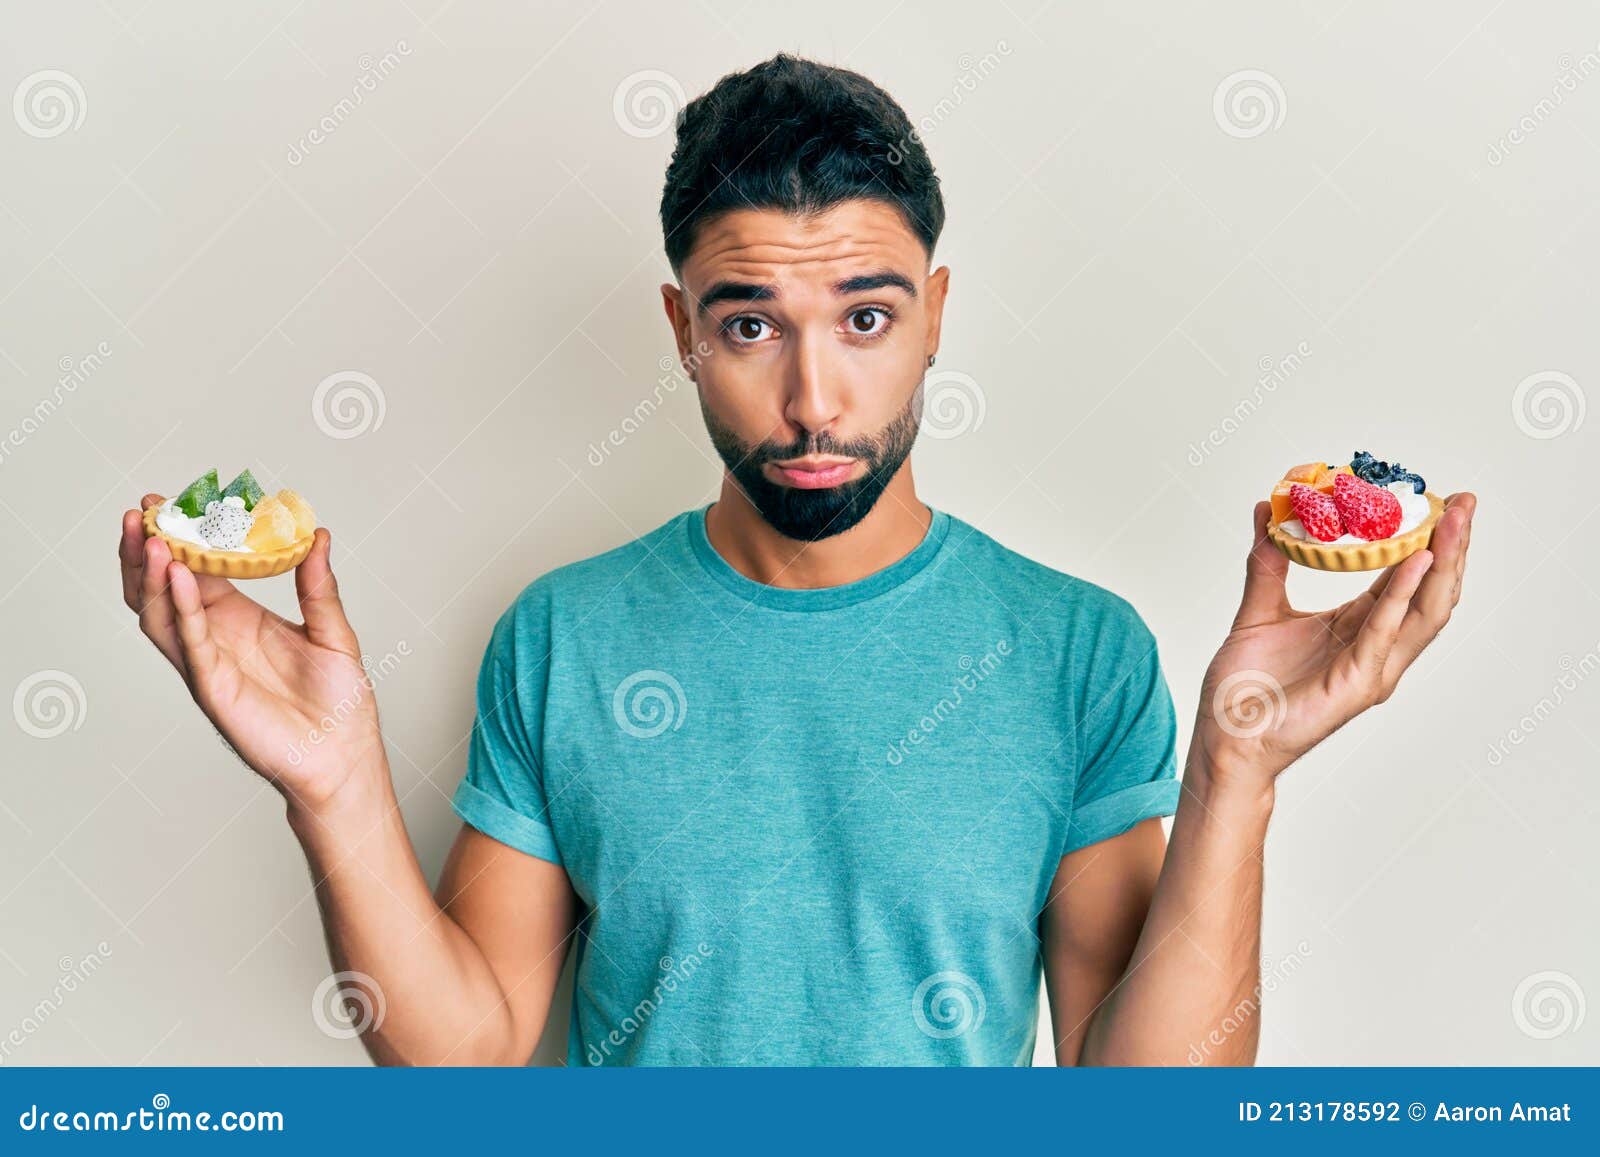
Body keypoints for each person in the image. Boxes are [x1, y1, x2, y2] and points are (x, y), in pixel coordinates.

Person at [117, 54, 1475, 1065]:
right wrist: (335, 789)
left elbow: (1145, 1110)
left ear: (935, 315)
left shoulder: (1077, 648)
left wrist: (1237, 769)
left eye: (867, 316)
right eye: (752, 325)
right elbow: (466, 1060)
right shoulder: (561, 636)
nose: (816, 398)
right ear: (683, 330)